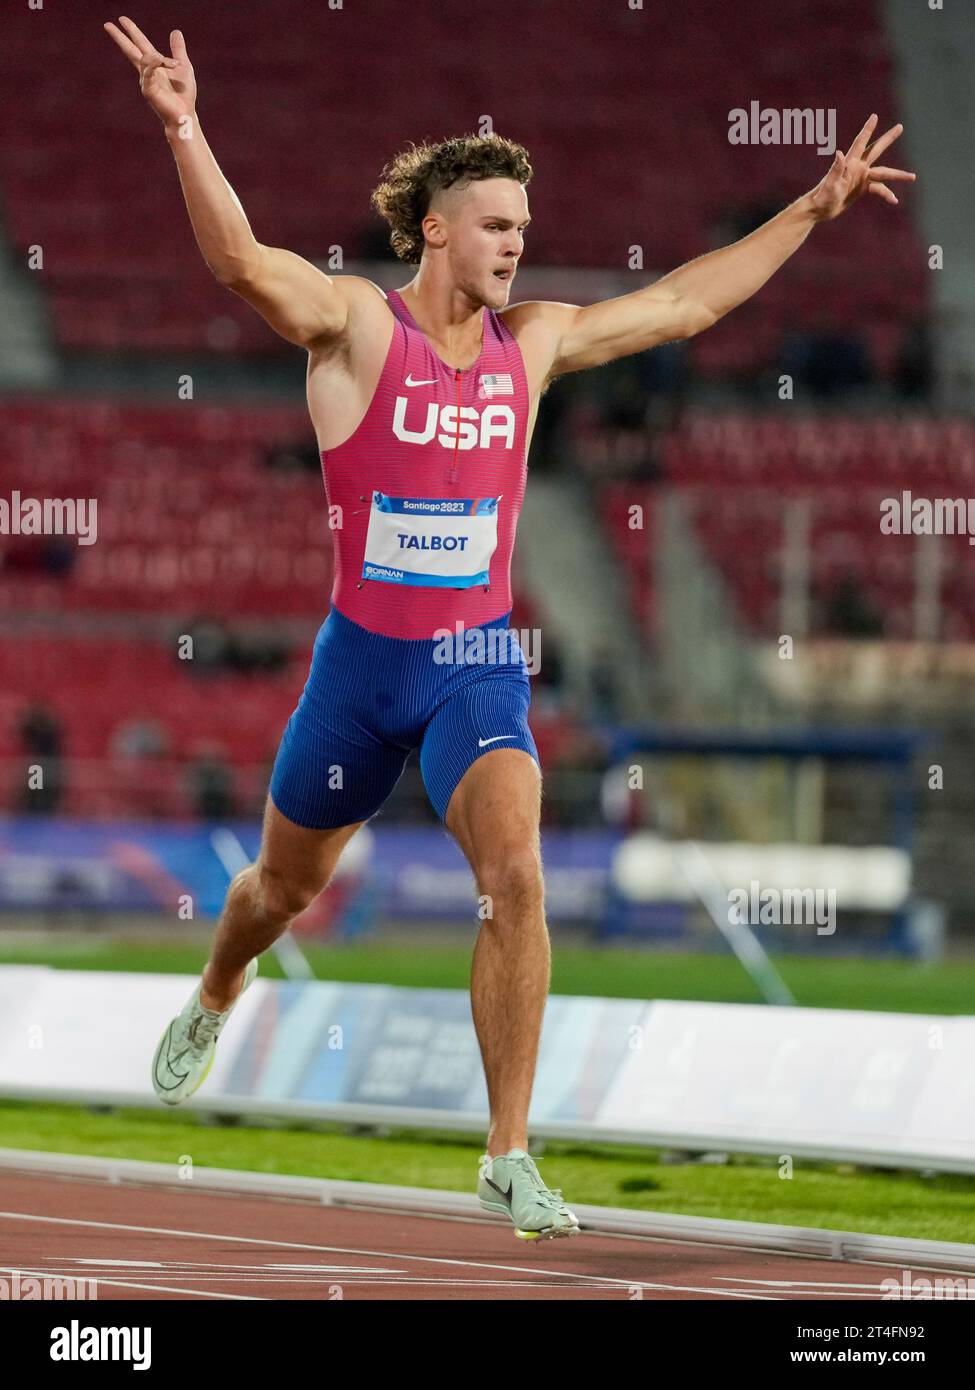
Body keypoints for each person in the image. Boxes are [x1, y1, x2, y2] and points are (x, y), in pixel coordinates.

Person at [105, 15, 915, 1240]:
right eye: (498, 225)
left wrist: (811, 208)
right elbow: (241, 266)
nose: (517, 245)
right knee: (279, 886)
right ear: (435, 227)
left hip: (475, 665)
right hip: (357, 672)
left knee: (518, 878)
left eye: (524, 231)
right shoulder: (357, 330)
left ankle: (506, 1149)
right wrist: (182, 125)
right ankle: (219, 989)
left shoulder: (533, 345)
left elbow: (686, 303)